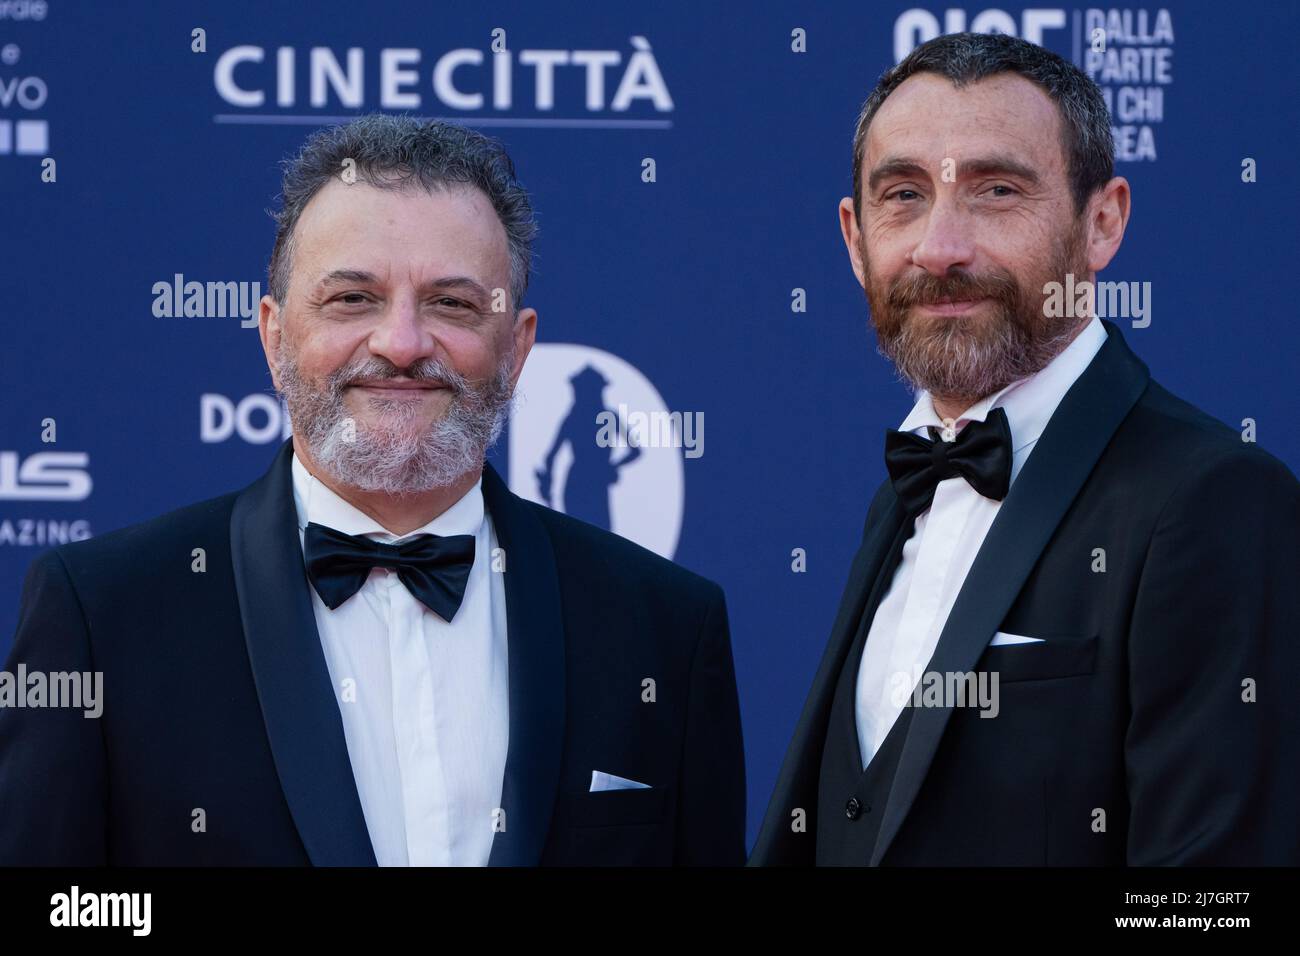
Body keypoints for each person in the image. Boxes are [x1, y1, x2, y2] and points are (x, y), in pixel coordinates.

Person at [0, 114, 745, 866]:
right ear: (274, 337)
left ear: (517, 350)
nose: (401, 343)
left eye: (452, 304)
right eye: (352, 298)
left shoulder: (665, 629)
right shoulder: (102, 617)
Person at [751, 32, 1299, 866]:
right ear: (855, 239)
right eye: (903, 195)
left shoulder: (1211, 498)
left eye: (997, 189)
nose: (941, 247)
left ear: (1102, 222)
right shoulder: (900, 497)